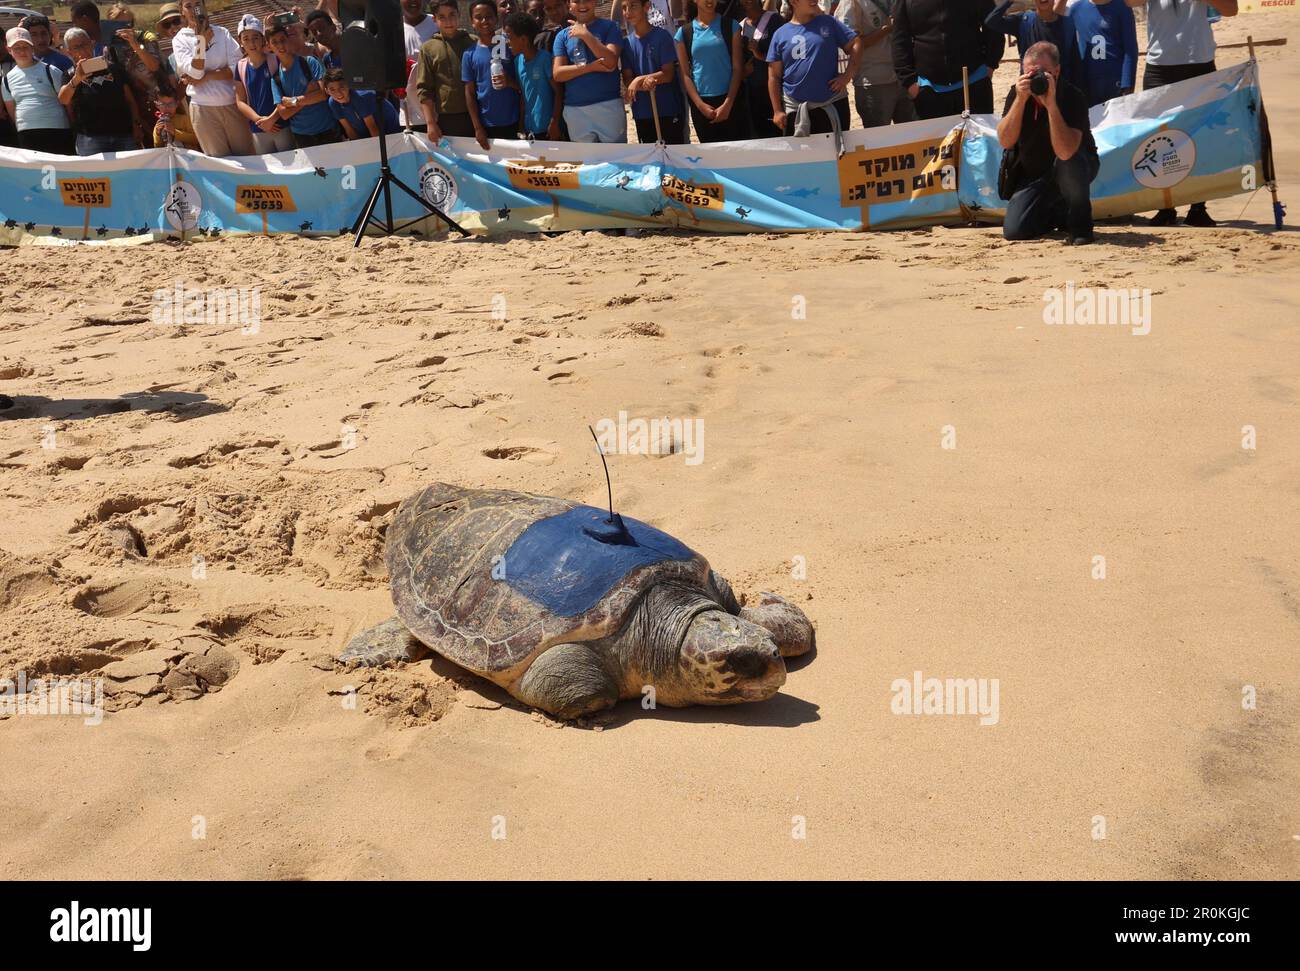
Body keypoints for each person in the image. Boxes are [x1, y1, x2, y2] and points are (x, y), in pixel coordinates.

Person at [1127, 0, 1237, 227]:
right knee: (1159, 138)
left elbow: (1231, 9)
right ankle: (1166, 206)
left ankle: (1198, 207)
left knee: (1200, 137)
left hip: (1199, 62)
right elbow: (1130, 2)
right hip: (1160, 65)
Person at [998, 40, 1098, 244]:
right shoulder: (1017, 94)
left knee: (1068, 164)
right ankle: (1058, 213)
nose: (1036, 80)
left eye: (1043, 73)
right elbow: (1005, 141)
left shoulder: (1072, 96)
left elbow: (1066, 152)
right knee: (1015, 231)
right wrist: (1020, 100)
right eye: (1030, 74)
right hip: (1034, 175)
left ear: (1057, 70)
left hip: (1073, 167)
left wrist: (1051, 105)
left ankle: (1081, 228)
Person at [892, 0, 1003, 118]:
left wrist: (990, 65)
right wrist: (910, 82)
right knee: (938, 137)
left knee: (978, 136)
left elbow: (993, 26)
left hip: (974, 82)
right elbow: (900, 39)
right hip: (928, 89)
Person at [767, 0, 860, 140]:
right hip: (795, 109)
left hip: (832, 104)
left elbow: (856, 43)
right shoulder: (780, 34)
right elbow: (774, 76)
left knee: (836, 159)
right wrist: (777, 110)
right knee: (802, 159)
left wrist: (847, 76)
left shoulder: (828, 22)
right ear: (793, 2)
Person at [172, 0, 255, 156]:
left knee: (248, 158)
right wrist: (201, 42)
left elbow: (237, 66)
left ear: (204, 6)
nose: (194, 9)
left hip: (232, 104)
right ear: (181, 10)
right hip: (203, 110)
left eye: (198, 4)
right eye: (188, 6)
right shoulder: (179, 40)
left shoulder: (222, 33)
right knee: (219, 163)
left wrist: (208, 76)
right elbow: (195, 73)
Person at [58, 26, 144, 154]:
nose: (82, 50)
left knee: (127, 173)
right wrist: (77, 78)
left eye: (84, 44)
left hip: (123, 134)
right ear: (69, 52)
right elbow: (64, 100)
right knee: (95, 174)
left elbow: (130, 101)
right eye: (76, 47)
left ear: (92, 44)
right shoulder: (70, 75)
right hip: (91, 138)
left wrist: (136, 125)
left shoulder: (114, 68)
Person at [552, 0, 625, 143]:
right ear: (569, 4)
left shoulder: (610, 27)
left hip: (609, 106)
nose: (582, 5)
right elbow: (558, 74)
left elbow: (610, 62)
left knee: (617, 161)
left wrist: (586, 36)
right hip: (575, 110)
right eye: (576, 1)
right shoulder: (562, 36)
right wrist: (590, 67)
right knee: (587, 163)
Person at [676, 0, 749, 142]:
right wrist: (700, 106)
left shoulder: (731, 26)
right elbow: (685, 74)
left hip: (731, 101)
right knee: (710, 159)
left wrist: (728, 104)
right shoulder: (684, 33)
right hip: (702, 105)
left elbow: (737, 67)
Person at [835, 0, 913, 128]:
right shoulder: (851, 3)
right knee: (879, 141)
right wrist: (885, 29)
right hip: (875, 82)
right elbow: (850, 46)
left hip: (905, 78)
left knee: (912, 138)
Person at [268, 21, 341, 147]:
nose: (280, 45)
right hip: (302, 137)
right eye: (274, 42)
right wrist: (309, 95)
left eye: (282, 40)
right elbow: (284, 114)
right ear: (269, 47)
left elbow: (324, 94)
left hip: (328, 129)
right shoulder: (275, 79)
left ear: (288, 40)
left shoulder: (310, 62)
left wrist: (293, 102)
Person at [3, 27, 73, 154]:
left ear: (32, 47)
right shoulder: (6, 80)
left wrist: (73, 126)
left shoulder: (51, 71)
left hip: (57, 129)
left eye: (26, 46)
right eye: (17, 48)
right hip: (27, 133)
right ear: (9, 50)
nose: (22, 51)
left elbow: (67, 102)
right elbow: (12, 111)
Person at [622, 0, 683, 143]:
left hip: (667, 109)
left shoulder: (662, 36)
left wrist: (639, 80)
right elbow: (627, 79)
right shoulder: (627, 44)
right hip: (642, 112)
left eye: (633, 6)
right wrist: (644, 82)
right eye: (624, 8)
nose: (628, 11)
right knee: (650, 163)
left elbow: (668, 74)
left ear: (646, 7)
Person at [986, 0, 1083, 90]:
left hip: (1061, 90)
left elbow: (1075, 62)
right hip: (1030, 88)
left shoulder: (1068, 24)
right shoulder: (1023, 21)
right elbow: (991, 21)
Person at [462, 0, 519, 148]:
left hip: (514, 121)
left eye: (488, 16)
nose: (484, 21)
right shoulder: (469, 54)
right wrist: (478, 127)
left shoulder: (510, 46)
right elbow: (470, 93)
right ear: (472, 22)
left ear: (496, 18)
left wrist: (509, 82)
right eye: (478, 17)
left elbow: (523, 83)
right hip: (486, 125)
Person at [233, 15, 293, 154]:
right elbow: (240, 101)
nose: (251, 43)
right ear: (240, 41)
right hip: (258, 129)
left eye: (255, 37)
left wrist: (272, 119)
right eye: (246, 38)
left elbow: (287, 93)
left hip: (281, 125)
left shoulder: (276, 61)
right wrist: (259, 121)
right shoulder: (240, 67)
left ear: (263, 39)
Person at [417, 0, 477, 138]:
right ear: (434, 19)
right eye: (442, 17)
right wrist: (431, 123)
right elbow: (424, 90)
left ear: (459, 15)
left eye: (452, 15)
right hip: (447, 119)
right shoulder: (428, 49)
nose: (448, 21)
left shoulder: (473, 42)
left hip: (477, 115)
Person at [1067, 0, 1137, 107]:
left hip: (1114, 82)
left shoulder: (1122, 7)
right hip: (1086, 81)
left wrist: (1127, 85)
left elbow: (1130, 50)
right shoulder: (1076, 8)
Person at [505, 12, 562, 139]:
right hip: (529, 130)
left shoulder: (545, 59)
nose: (508, 43)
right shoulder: (517, 61)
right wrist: (521, 126)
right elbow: (523, 95)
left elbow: (559, 91)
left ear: (523, 40)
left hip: (548, 130)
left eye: (509, 37)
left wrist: (555, 122)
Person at [739, 0, 784, 138]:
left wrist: (760, 55)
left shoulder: (775, 20)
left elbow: (784, 55)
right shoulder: (740, 27)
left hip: (776, 90)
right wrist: (743, 71)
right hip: (753, 93)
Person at [324, 67, 402, 137]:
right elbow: (349, 129)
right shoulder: (333, 103)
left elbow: (373, 129)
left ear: (349, 85)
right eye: (332, 89)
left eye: (342, 87)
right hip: (368, 133)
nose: (338, 93)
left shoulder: (361, 97)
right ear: (327, 91)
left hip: (391, 130)